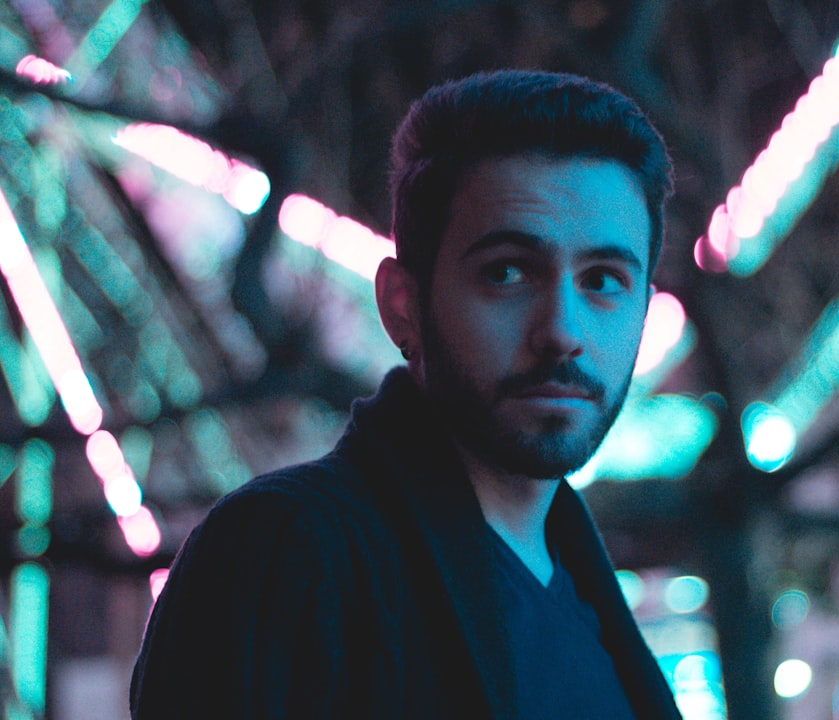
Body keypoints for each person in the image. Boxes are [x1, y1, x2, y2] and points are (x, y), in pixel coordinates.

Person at [130, 69, 682, 719]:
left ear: (643, 311)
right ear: (402, 305)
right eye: (507, 272)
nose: (562, 330)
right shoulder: (289, 555)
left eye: (603, 281)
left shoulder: (590, 609)